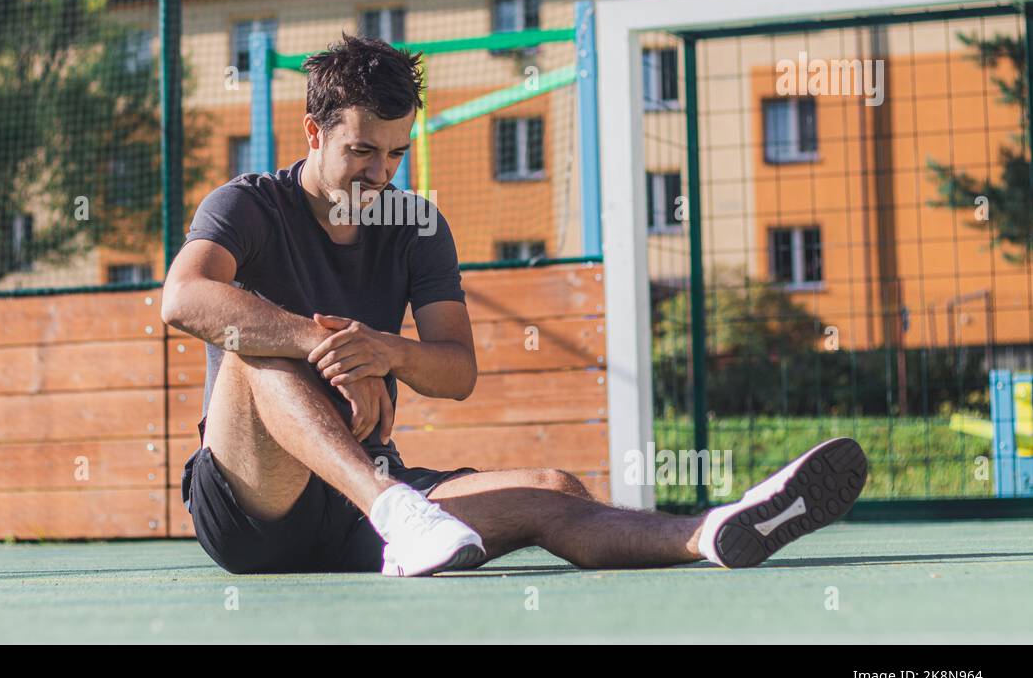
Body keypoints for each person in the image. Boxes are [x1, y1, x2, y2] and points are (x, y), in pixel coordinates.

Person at [161, 34, 866, 576]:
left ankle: (710, 532)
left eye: (396, 153)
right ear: (314, 135)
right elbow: (183, 298)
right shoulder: (248, 204)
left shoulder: (417, 224)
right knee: (254, 351)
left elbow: (456, 372)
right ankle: (394, 512)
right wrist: (324, 349)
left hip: (364, 499)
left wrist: (385, 351)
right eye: (361, 152)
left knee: (553, 488)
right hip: (253, 509)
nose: (380, 173)